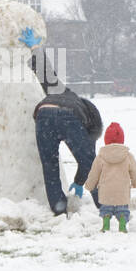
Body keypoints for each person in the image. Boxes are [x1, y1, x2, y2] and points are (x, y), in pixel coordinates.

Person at [30, 38, 103, 215]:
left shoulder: (62, 91)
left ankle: (58, 206)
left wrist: (34, 49)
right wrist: (79, 182)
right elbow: (88, 162)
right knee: (91, 163)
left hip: (43, 114)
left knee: (50, 164)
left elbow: (45, 73)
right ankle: (104, 204)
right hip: (66, 117)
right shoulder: (86, 119)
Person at [84, 122, 136, 232]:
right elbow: (135, 172)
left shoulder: (101, 156)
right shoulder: (128, 156)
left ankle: (106, 224)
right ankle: (122, 225)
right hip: (122, 192)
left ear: (106, 140)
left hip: (106, 192)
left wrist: (89, 185)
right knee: (122, 210)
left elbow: (94, 173)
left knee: (106, 209)